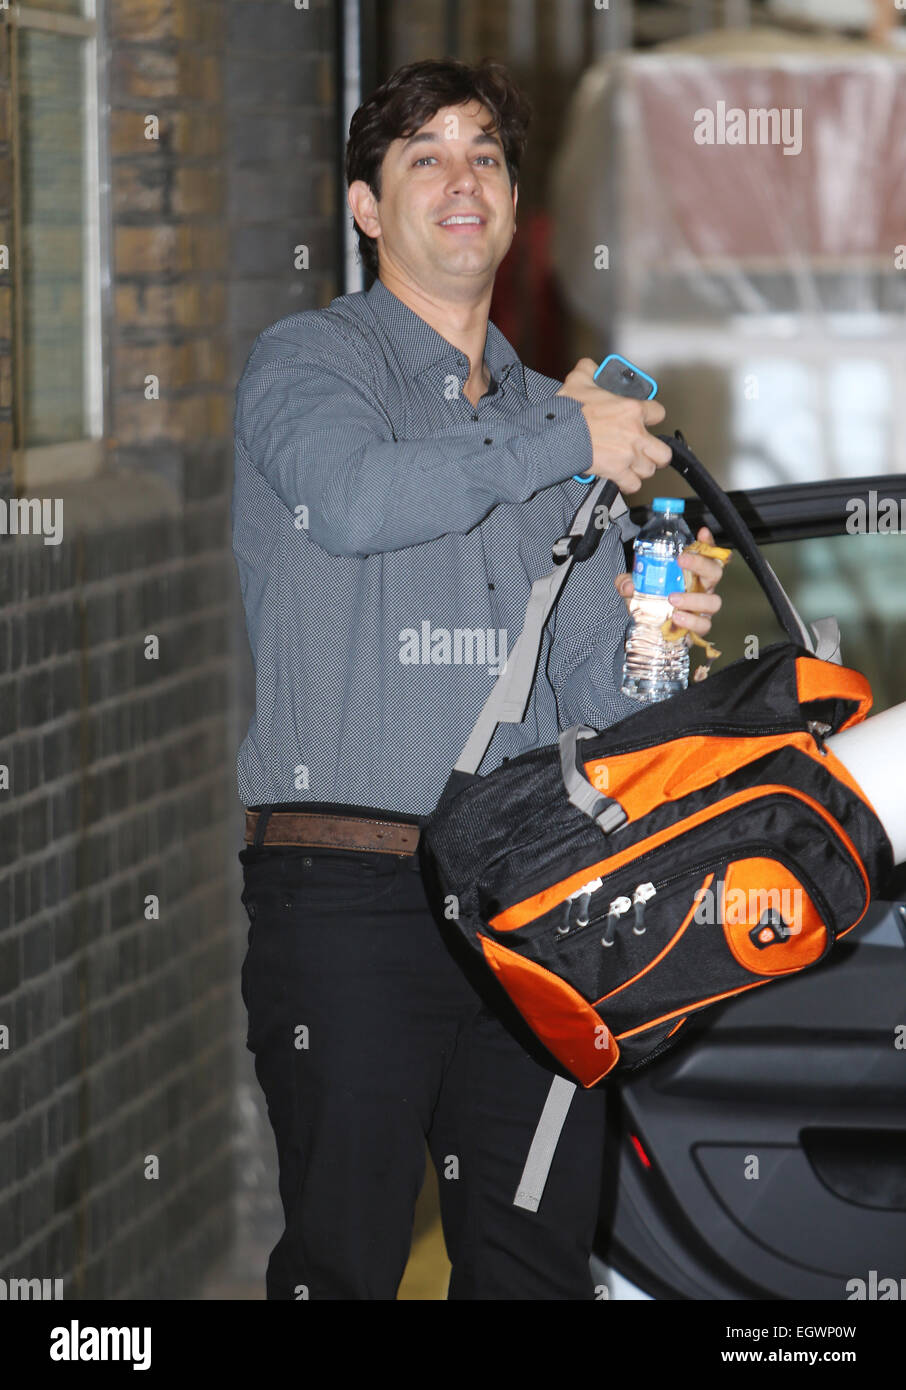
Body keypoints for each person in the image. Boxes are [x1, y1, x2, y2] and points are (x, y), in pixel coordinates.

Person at [231, 56, 724, 1300]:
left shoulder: (564, 428)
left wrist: (653, 632)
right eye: (425, 156)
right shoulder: (310, 365)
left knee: (531, 1264)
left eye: (487, 155)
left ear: (511, 204)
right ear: (364, 206)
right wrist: (566, 437)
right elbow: (350, 502)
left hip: (538, 906)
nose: (464, 179)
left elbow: (598, 701)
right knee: (344, 1263)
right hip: (347, 892)